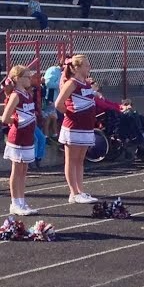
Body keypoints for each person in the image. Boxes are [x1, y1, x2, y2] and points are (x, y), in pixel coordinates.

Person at [56, 54, 100, 205]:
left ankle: (80, 190)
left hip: (86, 127)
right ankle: (73, 192)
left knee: (80, 160)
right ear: (77, 68)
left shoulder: (86, 83)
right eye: (86, 65)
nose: (89, 67)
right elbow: (58, 103)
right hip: (73, 127)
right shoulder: (72, 83)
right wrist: (71, 113)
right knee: (71, 159)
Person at [0, 65, 41, 216]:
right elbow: (5, 118)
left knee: (24, 171)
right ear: (17, 79)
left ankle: (22, 201)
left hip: (28, 137)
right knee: (16, 171)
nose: (29, 79)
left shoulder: (28, 95)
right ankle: (15, 203)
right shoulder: (16, 95)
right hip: (17, 137)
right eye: (26, 77)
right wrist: (18, 121)